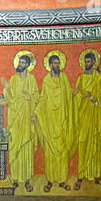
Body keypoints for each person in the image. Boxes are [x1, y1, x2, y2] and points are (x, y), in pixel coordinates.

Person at [3, 51, 39, 192]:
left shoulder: (32, 79)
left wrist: (30, 97)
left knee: (26, 149)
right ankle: (16, 179)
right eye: (20, 62)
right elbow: (10, 99)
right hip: (15, 118)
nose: (20, 65)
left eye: (23, 63)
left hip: (27, 118)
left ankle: (27, 181)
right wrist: (7, 88)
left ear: (28, 65)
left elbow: (37, 96)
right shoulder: (13, 79)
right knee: (15, 148)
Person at [36, 51, 73, 191]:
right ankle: (50, 180)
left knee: (62, 151)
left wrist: (74, 95)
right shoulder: (46, 80)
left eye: (59, 63)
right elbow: (43, 98)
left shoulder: (64, 78)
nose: (58, 65)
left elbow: (69, 95)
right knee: (50, 152)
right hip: (50, 120)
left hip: (62, 119)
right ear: (50, 65)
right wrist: (36, 112)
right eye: (55, 63)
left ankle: (63, 180)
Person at [72, 49, 101, 190]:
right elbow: (76, 94)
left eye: (89, 61)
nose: (87, 63)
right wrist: (79, 95)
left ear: (93, 62)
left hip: (94, 115)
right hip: (83, 116)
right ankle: (81, 176)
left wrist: (91, 95)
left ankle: (96, 175)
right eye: (85, 61)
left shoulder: (97, 77)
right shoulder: (81, 77)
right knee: (82, 142)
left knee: (95, 144)